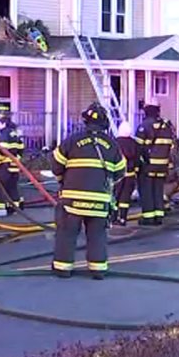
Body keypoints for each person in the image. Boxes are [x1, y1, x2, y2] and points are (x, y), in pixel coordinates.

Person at [50, 103, 126, 279]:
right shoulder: (112, 145)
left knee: (67, 233)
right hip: (100, 202)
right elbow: (120, 171)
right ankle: (98, 269)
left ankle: (63, 268)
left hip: (72, 201)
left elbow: (56, 165)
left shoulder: (72, 140)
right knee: (97, 235)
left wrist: (64, 181)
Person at [135, 103, 176, 226]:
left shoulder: (145, 126)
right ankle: (158, 215)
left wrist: (138, 164)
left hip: (149, 165)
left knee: (147, 190)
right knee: (158, 190)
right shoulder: (166, 126)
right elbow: (172, 146)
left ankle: (148, 217)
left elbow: (139, 147)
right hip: (162, 165)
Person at [0, 110, 25, 215]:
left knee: (0, 186)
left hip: (4, 167)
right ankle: (15, 208)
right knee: (12, 188)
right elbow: (21, 148)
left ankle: (0, 207)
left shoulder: (4, 134)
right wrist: (16, 159)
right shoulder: (15, 133)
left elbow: (3, 150)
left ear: (4, 123)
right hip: (14, 166)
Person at [113, 120, 139, 226]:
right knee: (125, 198)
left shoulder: (115, 143)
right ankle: (123, 218)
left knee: (115, 196)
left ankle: (113, 218)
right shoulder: (134, 143)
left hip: (117, 175)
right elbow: (138, 158)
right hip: (130, 175)